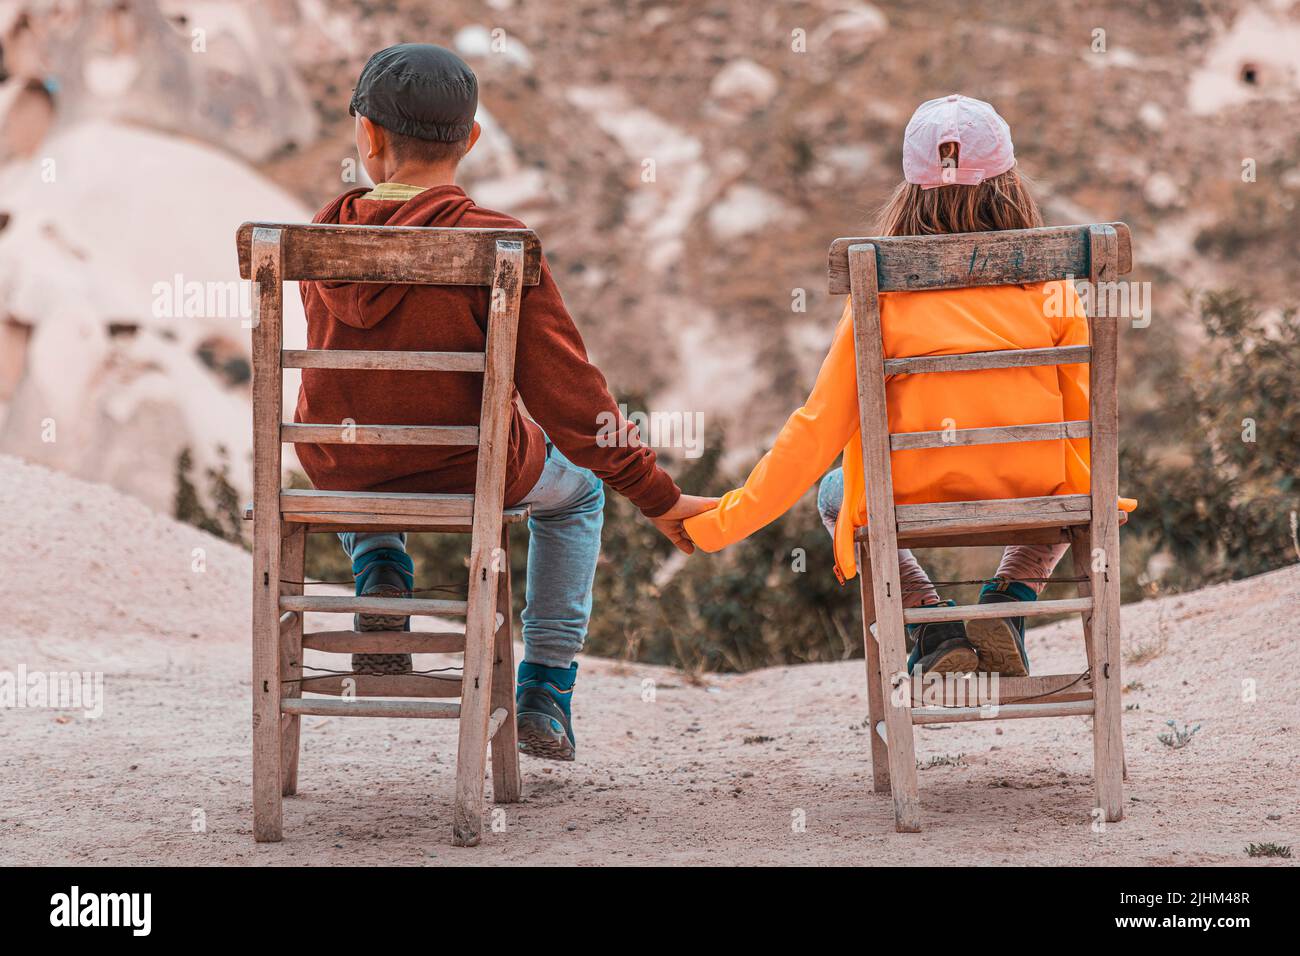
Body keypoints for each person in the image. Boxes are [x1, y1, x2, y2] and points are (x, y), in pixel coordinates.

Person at [296, 44, 715, 761]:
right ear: (473, 140)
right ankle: (544, 693)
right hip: (469, 470)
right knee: (579, 492)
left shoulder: (320, 240)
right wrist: (657, 496)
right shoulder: (499, 245)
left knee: (366, 457)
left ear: (367, 136)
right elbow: (573, 403)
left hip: (345, 466)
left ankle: (380, 570)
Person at [685, 95, 1135, 677]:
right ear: (1011, 185)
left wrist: (722, 522)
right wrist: (1102, 494)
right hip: (1038, 486)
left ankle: (930, 618)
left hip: (910, 495)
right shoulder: (1051, 287)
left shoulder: (883, 297)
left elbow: (817, 428)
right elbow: (1083, 419)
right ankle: (1010, 600)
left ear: (910, 191)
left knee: (832, 491)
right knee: (1076, 484)